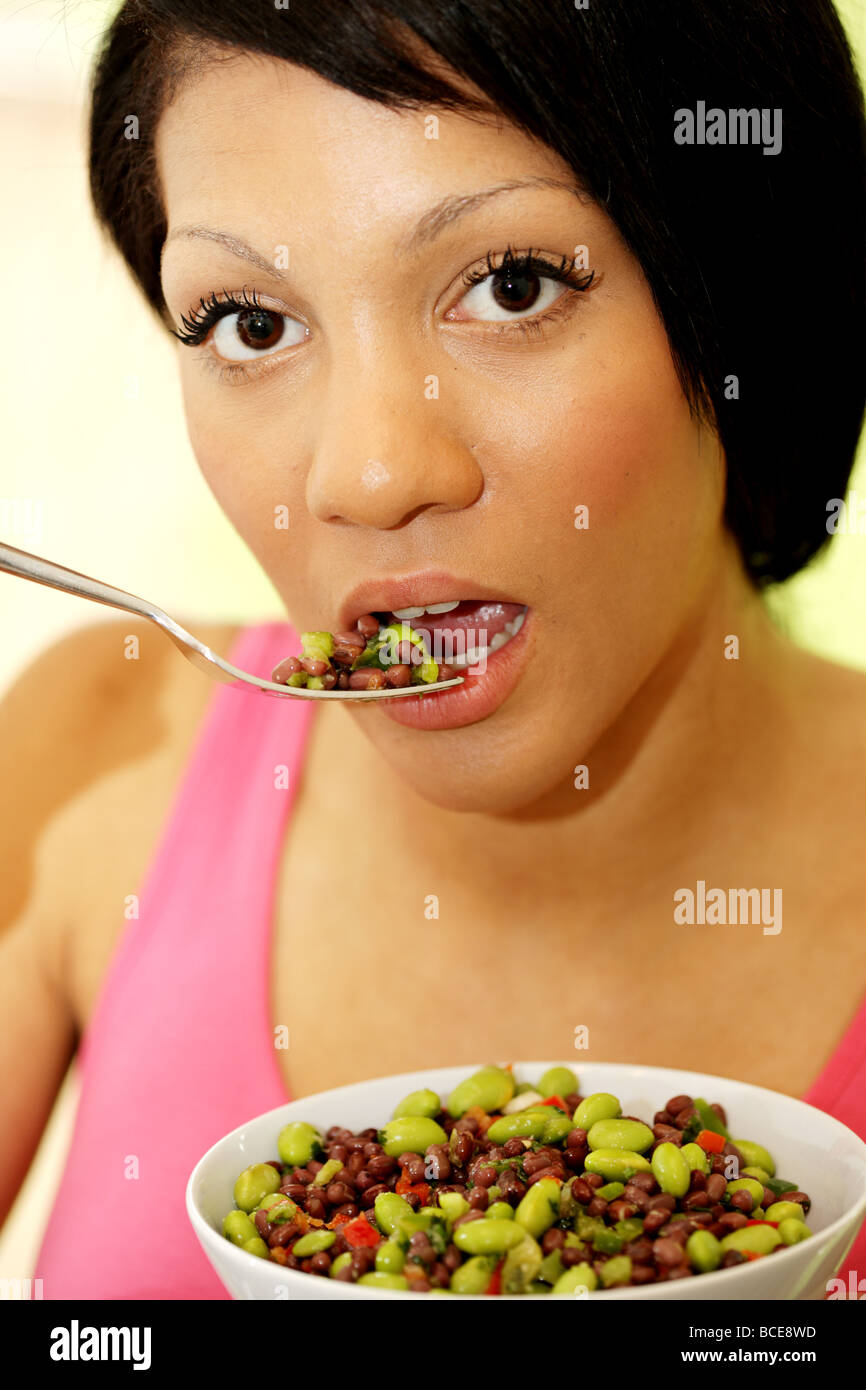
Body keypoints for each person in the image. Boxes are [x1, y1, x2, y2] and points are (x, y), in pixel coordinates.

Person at [1, 0, 864, 1298]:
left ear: (737, 300)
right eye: (248, 320)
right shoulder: (92, 752)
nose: (366, 472)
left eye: (511, 285)